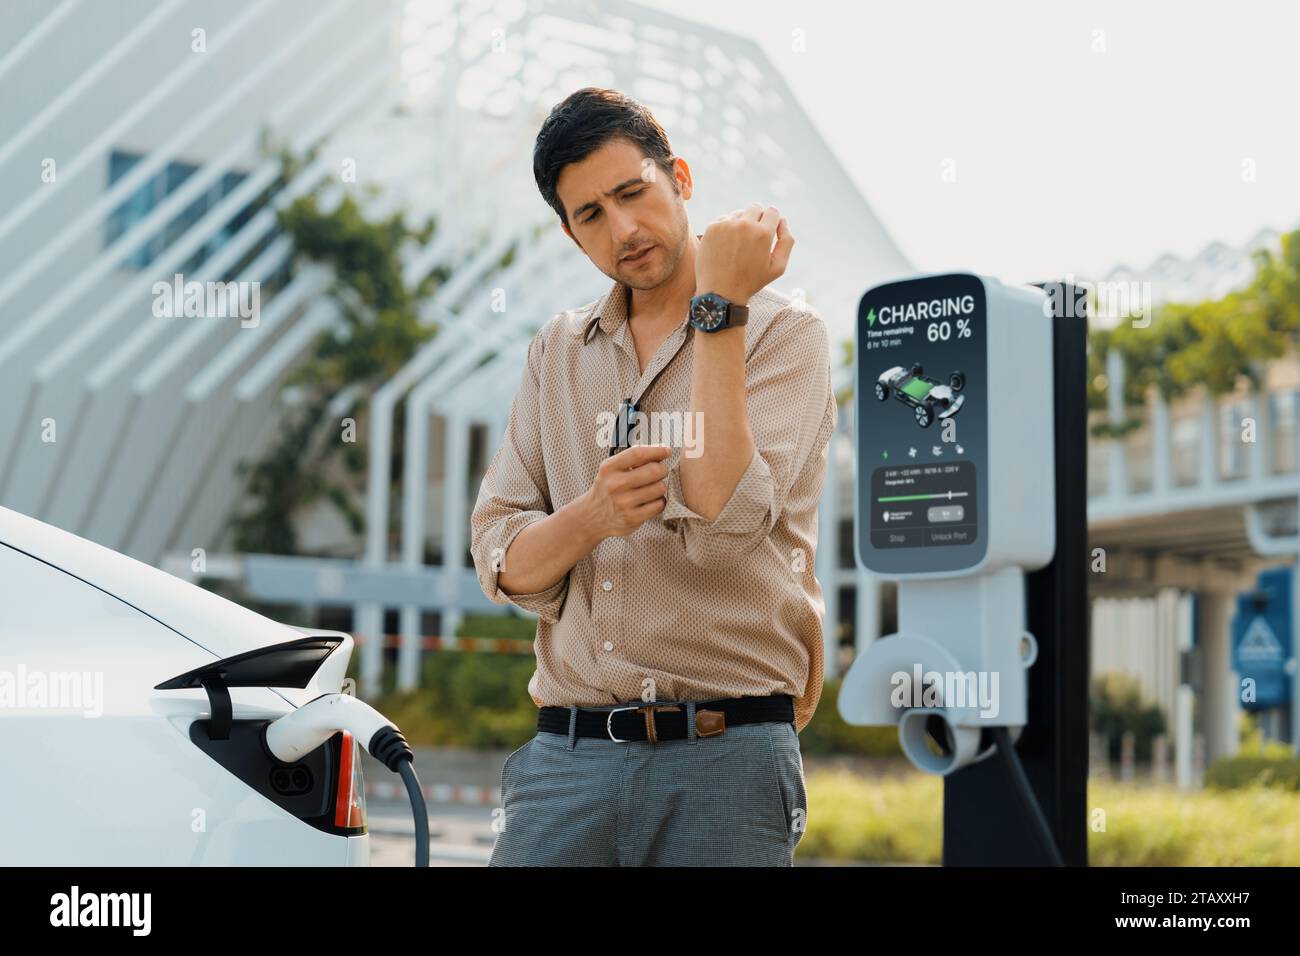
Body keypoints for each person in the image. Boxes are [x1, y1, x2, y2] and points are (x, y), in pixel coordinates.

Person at [470, 87, 835, 866]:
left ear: (681, 179)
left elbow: (724, 524)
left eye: (633, 193)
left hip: (726, 759)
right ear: (570, 234)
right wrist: (590, 517)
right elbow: (500, 553)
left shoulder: (787, 335)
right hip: (565, 761)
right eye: (591, 215)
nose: (623, 228)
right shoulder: (557, 353)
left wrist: (720, 310)